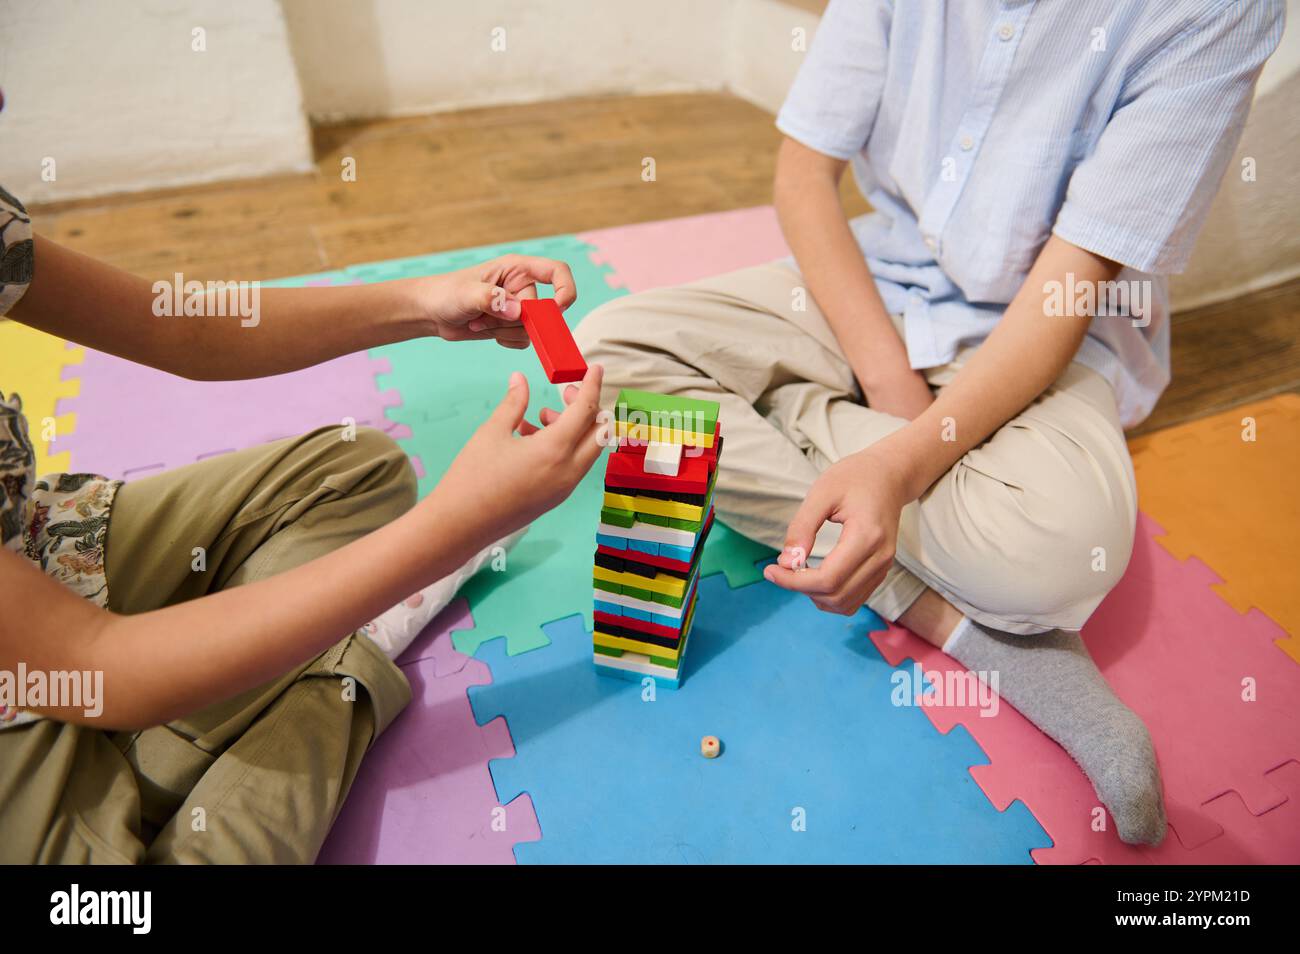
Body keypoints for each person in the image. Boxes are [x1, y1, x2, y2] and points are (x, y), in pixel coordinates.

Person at [575, 0, 1285, 846]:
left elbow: (1073, 280)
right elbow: (803, 173)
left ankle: (795, 410)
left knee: (1051, 558)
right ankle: (948, 618)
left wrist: (907, 458)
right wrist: (892, 394)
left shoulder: (1219, 10)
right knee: (609, 358)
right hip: (878, 286)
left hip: (1050, 331)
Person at [0, 176, 605, 862]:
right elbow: (100, 669)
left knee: (354, 471)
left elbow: (178, 324)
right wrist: (454, 526)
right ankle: (342, 668)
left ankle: (175, 734)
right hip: (54, 681)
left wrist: (424, 299)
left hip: (37, 552)